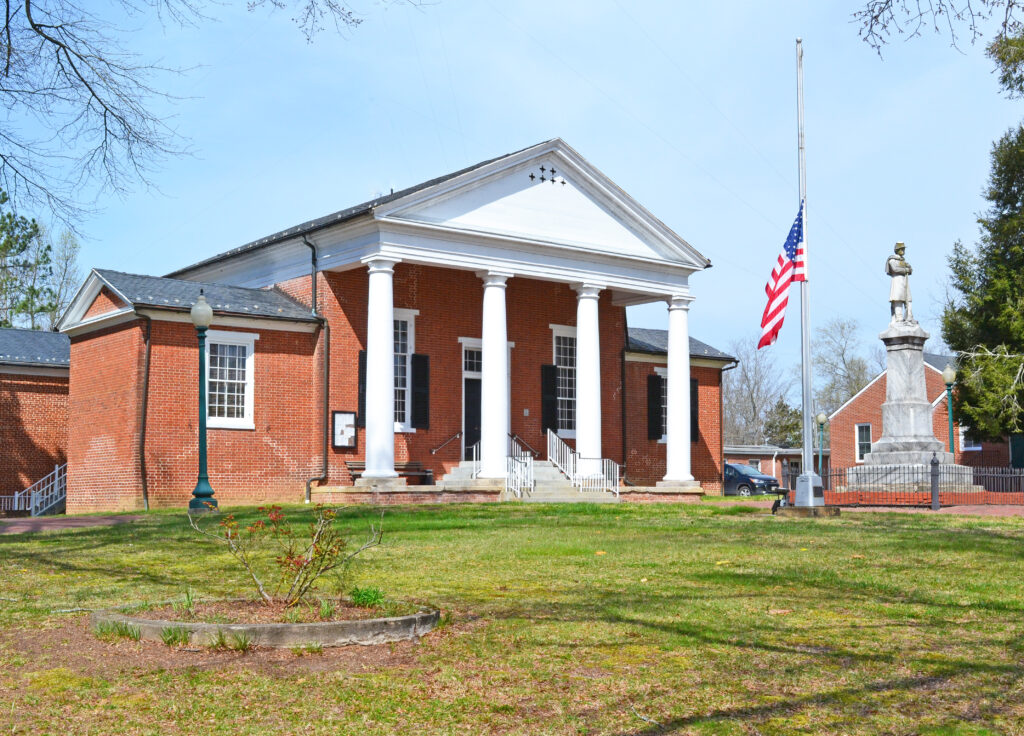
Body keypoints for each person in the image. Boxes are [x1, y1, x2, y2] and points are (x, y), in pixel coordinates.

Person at [886, 242, 913, 323]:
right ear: (897, 250)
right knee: (898, 298)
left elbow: (910, 269)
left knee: (908, 299)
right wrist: (906, 270)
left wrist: (908, 269)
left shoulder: (903, 261)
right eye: (902, 249)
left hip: (904, 281)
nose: (903, 250)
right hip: (897, 280)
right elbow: (895, 269)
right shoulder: (892, 260)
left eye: (903, 249)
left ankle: (909, 316)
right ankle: (899, 318)